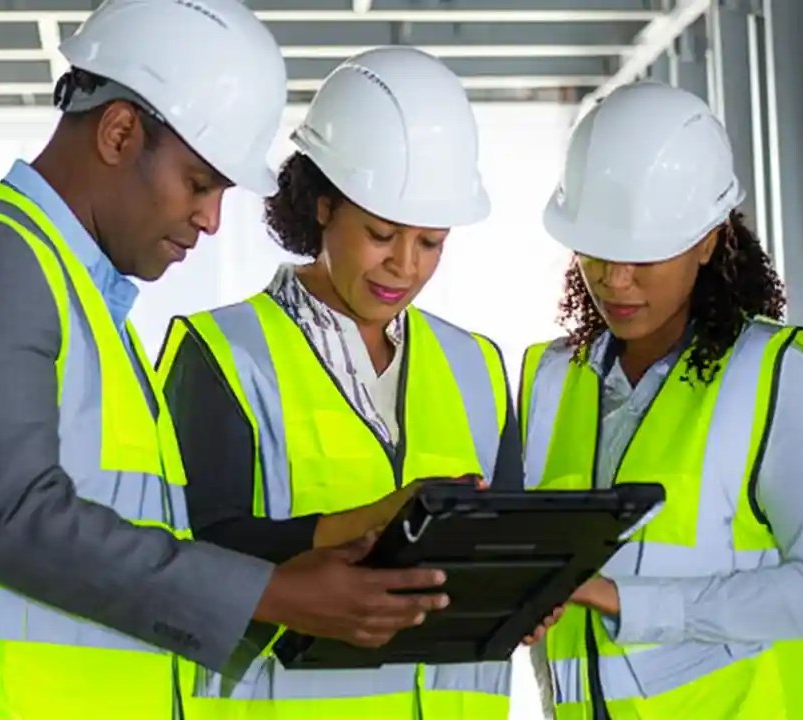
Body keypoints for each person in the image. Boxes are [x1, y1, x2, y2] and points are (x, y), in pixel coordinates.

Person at [0, 3, 454, 718]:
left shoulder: (87, 307)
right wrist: (276, 594)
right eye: (200, 183)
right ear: (120, 133)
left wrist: (308, 566)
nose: (211, 220)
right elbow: (17, 520)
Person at [157, 47, 547, 719]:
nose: (404, 266)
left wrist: (525, 593)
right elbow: (190, 556)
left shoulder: (476, 364)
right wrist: (364, 522)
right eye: (381, 234)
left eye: (431, 243)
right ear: (321, 206)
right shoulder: (222, 353)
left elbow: (503, 538)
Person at [518, 81, 803, 718]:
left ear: (708, 242)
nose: (613, 279)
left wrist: (627, 600)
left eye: (642, 257)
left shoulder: (770, 375)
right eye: (596, 251)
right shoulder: (551, 380)